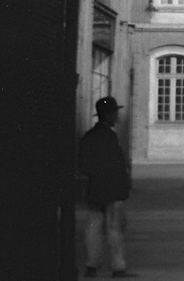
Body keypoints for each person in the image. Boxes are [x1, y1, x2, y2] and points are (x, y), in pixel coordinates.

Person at [78, 96, 137, 278]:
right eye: (115, 113)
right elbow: (118, 166)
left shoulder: (89, 136)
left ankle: (91, 265)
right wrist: (124, 187)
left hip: (95, 189)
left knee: (93, 228)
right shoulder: (110, 137)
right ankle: (118, 266)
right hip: (112, 190)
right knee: (114, 229)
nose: (117, 116)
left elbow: (83, 165)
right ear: (110, 115)